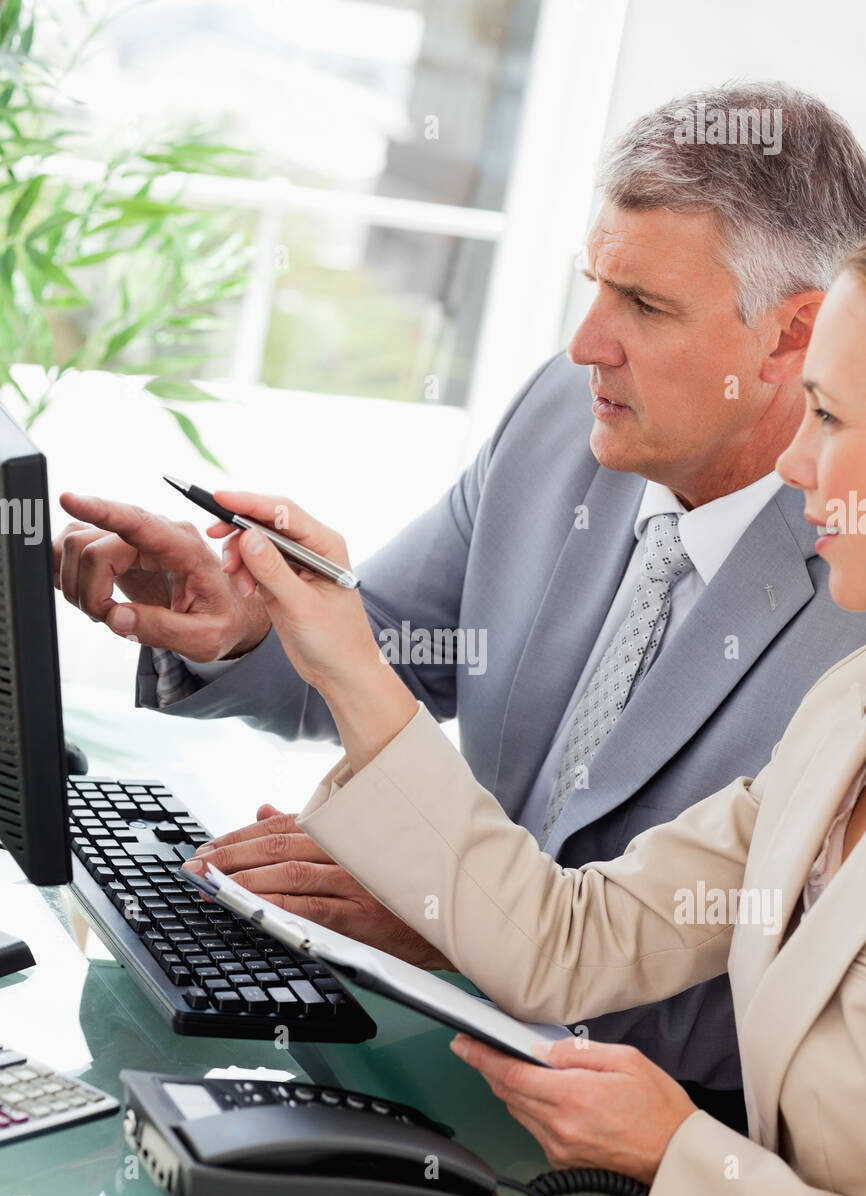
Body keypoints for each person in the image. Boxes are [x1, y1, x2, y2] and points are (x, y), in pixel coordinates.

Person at [54, 83, 866, 1129]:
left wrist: (447, 927)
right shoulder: (564, 419)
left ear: (787, 340)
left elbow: (788, 996)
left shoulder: (848, 581)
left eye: (644, 306)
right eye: (594, 285)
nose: (585, 343)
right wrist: (245, 619)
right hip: (441, 1047)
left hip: (667, 1136)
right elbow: (387, 649)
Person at [181, 244, 866, 1196]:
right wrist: (348, 663)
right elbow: (571, 938)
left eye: (825, 419)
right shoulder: (846, 714)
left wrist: (680, 1153)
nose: (792, 465)